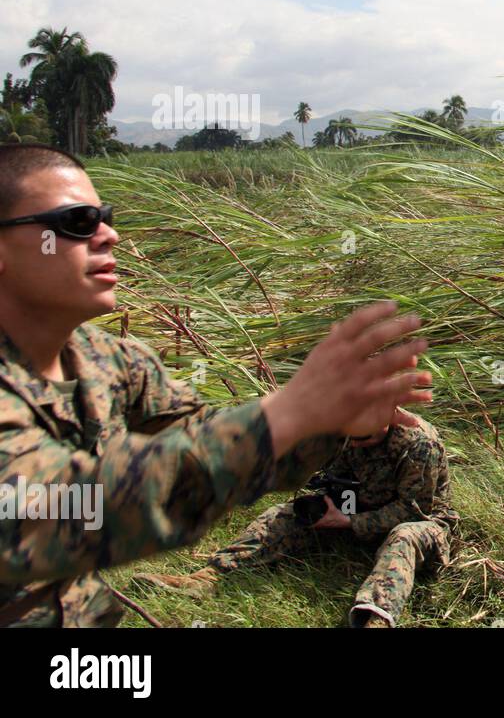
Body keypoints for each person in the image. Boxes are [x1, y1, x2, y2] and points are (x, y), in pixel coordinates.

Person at [0, 144, 431, 627]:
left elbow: (209, 439)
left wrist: (332, 422)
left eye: (106, 216)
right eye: (77, 222)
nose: (110, 236)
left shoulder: (113, 361)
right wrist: (285, 415)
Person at [136, 407, 457, 628]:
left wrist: (348, 522)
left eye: (366, 437)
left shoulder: (418, 444)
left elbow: (415, 510)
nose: (356, 444)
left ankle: (376, 615)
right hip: (353, 508)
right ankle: (210, 577)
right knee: (287, 514)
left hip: (422, 525)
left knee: (403, 535)